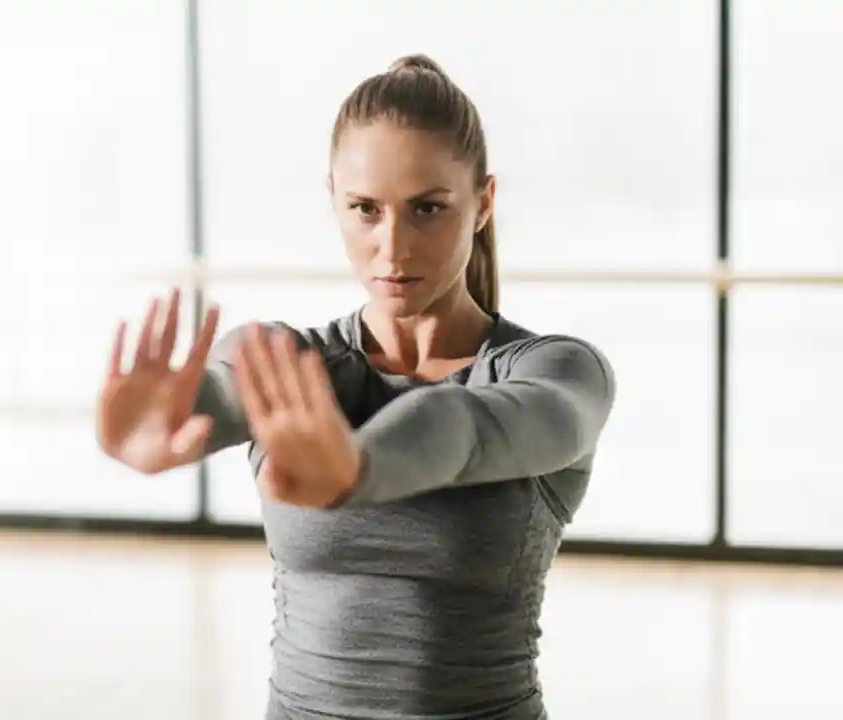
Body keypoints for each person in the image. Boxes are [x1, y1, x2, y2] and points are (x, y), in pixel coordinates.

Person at [96, 54, 616, 720]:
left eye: (428, 208)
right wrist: (165, 423)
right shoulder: (289, 363)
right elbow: (223, 393)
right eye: (365, 209)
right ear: (333, 201)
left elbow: (460, 427)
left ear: (483, 204)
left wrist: (358, 467)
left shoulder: (556, 371)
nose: (393, 247)